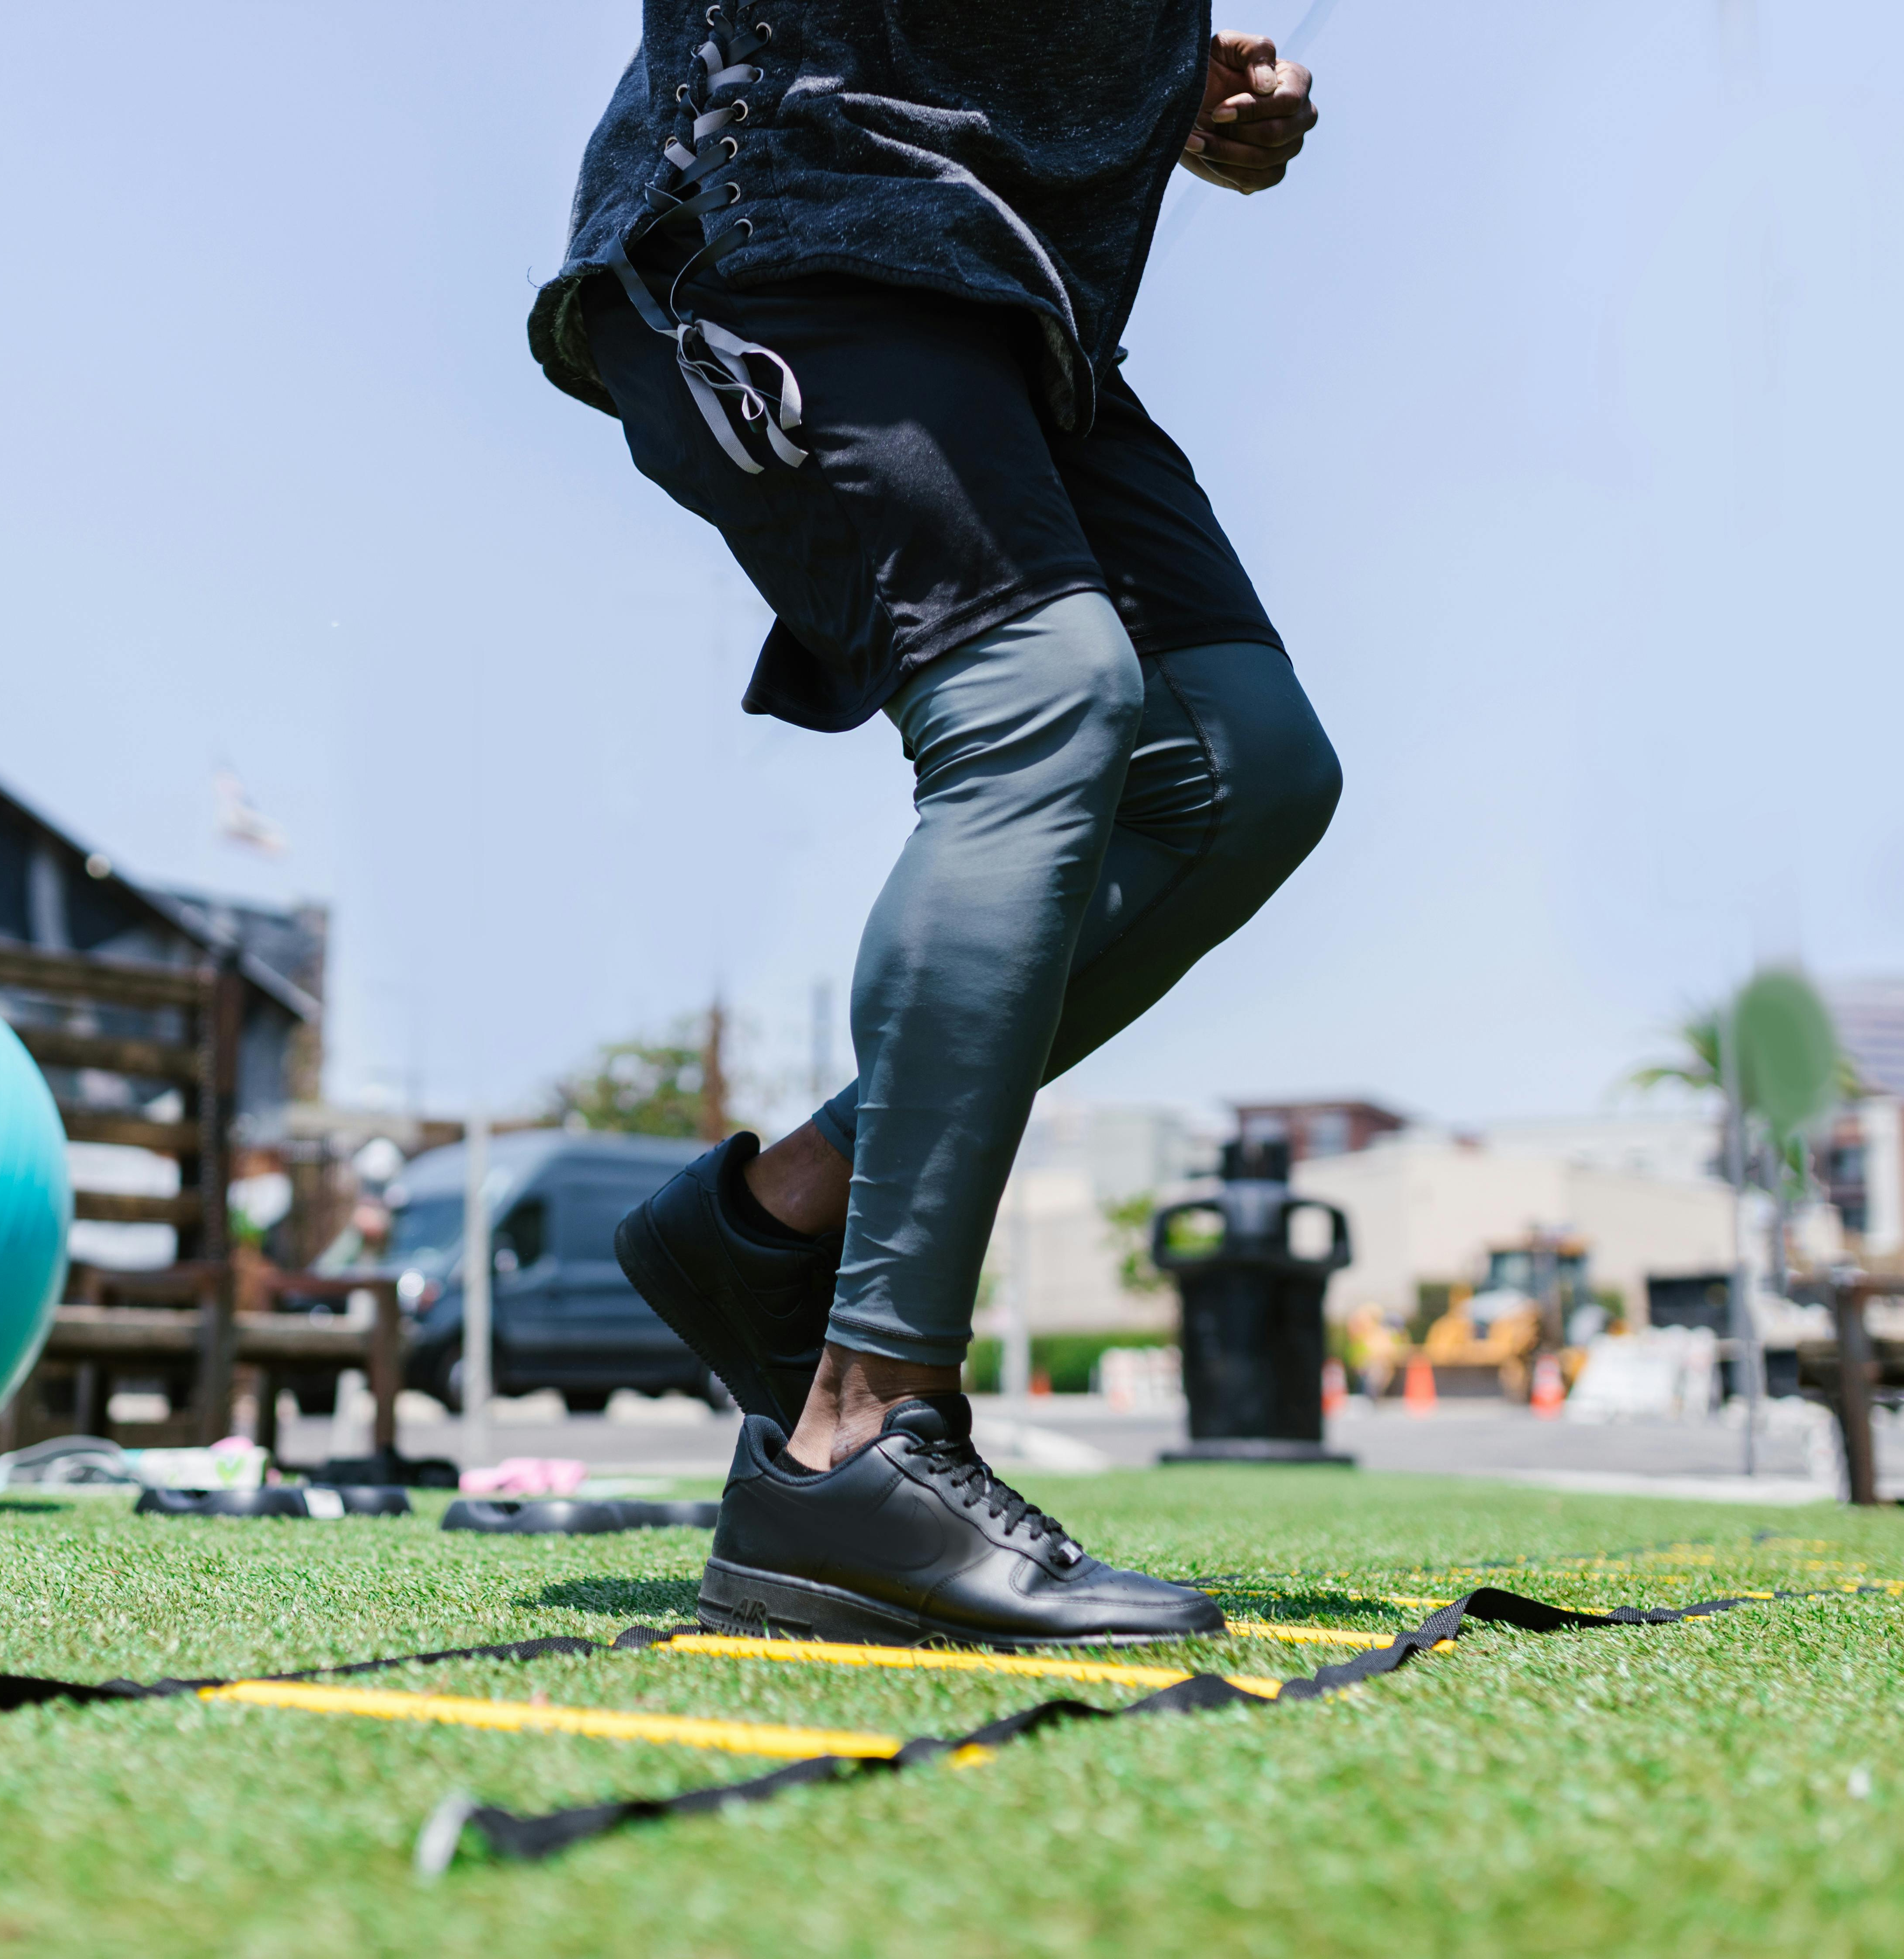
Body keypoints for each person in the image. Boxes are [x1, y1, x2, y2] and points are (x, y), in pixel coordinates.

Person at [529, 6, 1339, 1646]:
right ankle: (856, 1438)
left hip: (1014, 314)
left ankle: (781, 1219)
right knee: (1044, 696)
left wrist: (1155, 74)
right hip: (790, 216)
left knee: (1250, 767)